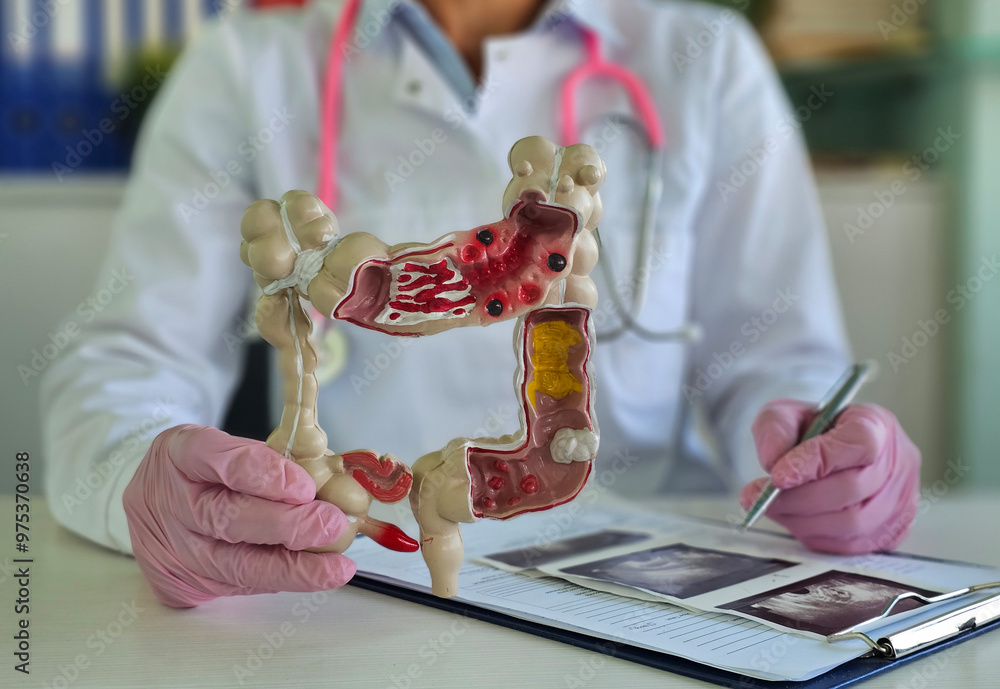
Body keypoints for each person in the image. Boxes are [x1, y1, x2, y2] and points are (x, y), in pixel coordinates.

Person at [40, 0, 920, 608]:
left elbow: (777, 361)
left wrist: (822, 453)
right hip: (352, 593)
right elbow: (127, 362)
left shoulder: (708, 57)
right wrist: (137, 481)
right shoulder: (246, 65)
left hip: (652, 594)